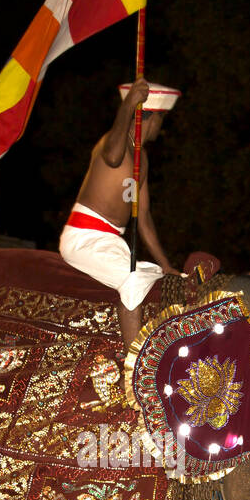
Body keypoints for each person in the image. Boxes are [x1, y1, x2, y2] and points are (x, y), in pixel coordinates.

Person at [58, 78, 182, 350]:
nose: (161, 130)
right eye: (162, 121)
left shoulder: (143, 157)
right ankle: (135, 365)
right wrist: (127, 106)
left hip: (113, 240)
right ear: (152, 118)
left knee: (155, 275)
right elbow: (113, 157)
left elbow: (145, 218)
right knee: (135, 279)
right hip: (85, 237)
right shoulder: (113, 142)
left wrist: (167, 264)